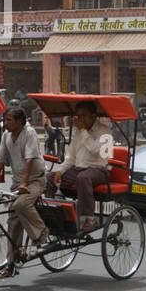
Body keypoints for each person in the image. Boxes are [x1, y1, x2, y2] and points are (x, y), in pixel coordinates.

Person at [0, 105, 48, 279]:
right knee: (12, 224)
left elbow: (29, 160)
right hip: (17, 183)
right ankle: (11, 264)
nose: (5, 123)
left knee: (21, 203)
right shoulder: (6, 135)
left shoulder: (29, 133)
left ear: (20, 121)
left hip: (35, 180)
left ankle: (41, 232)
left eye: (9, 120)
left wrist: (23, 184)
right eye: (5, 119)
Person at [49, 99, 113, 234]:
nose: (80, 119)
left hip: (99, 169)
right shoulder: (78, 132)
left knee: (83, 178)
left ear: (93, 116)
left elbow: (96, 151)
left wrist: (83, 130)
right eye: (78, 116)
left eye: (83, 116)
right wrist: (60, 170)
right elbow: (71, 156)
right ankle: (53, 215)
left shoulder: (104, 131)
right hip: (78, 169)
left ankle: (88, 219)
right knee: (49, 177)